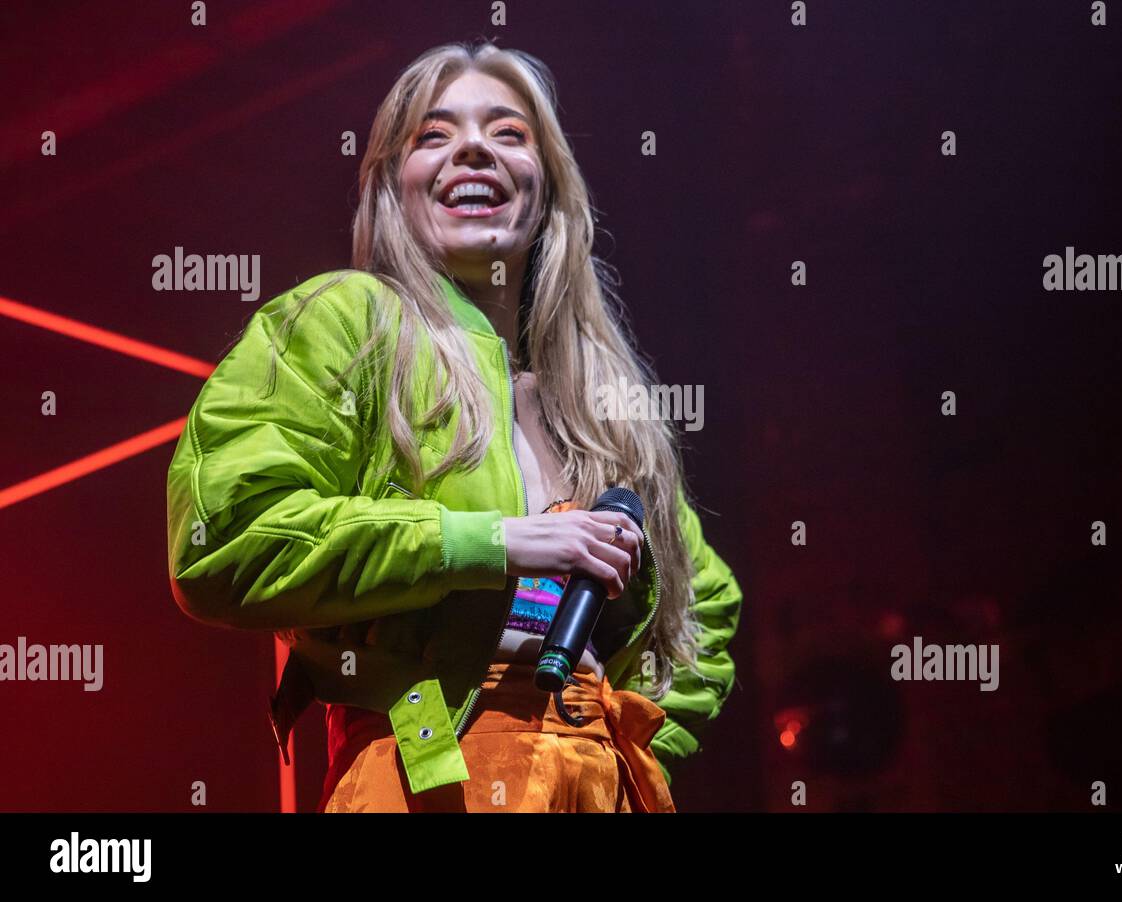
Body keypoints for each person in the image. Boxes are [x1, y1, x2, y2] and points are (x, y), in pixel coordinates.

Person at [165, 40, 743, 812]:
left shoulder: (603, 399)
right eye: (433, 136)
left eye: (509, 133)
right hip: (430, 775)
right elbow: (228, 538)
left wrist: (640, 751)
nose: (473, 147)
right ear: (391, 190)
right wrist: (493, 542)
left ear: (549, 189)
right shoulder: (344, 323)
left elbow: (702, 611)